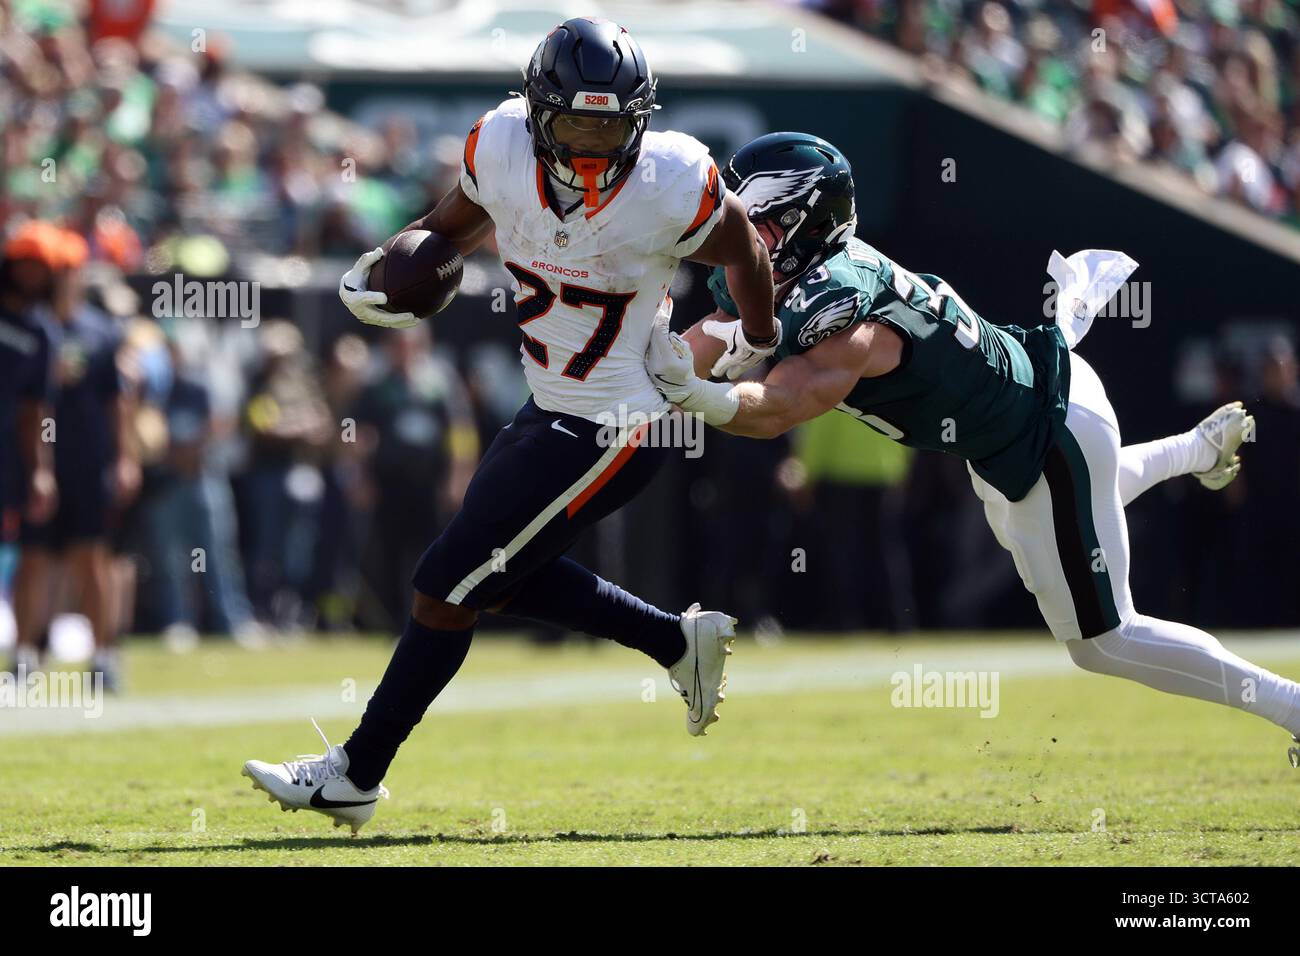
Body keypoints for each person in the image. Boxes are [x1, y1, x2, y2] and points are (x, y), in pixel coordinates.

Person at [242, 18, 776, 833]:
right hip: (550, 402)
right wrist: (389, 266)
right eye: (576, 124)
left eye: (611, 124)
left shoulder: (673, 178)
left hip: (623, 420)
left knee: (444, 585)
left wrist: (755, 341)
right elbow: (448, 229)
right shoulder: (499, 147)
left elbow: (747, 253)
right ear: (537, 115)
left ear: (642, 120)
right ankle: (676, 642)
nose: (593, 145)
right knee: (491, 575)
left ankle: (355, 774)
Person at [649, 131, 1300, 765]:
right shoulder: (798, 279)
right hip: (1023, 429)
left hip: (1051, 430)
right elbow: (711, 335)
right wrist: (651, 379)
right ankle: (1195, 451)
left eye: (750, 224)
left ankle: (1291, 706)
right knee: (1044, 517)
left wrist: (692, 394)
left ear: (800, 226)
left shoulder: (846, 313)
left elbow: (780, 408)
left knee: (1104, 642)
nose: (733, 239)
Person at [0, 223, 60, 678]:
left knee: (21, 552)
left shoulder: (40, 330)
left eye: (41, 267)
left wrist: (41, 470)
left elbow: (34, 409)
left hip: (8, 456)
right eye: (26, 263)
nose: (32, 274)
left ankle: (22, 651)